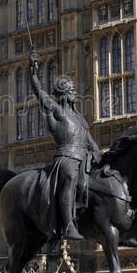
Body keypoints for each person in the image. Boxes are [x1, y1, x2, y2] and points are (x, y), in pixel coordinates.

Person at [29, 51, 101, 240]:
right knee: (70, 177)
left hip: (84, 159)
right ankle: (68, 225)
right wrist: (33, 72)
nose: (74, 93)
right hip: (66, 158)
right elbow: (40, 93)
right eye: (70, 91)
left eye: (73, 90)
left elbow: (91, 142)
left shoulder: (80, 118)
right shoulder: (57, 110)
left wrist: (99, 155)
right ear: (63, 94)